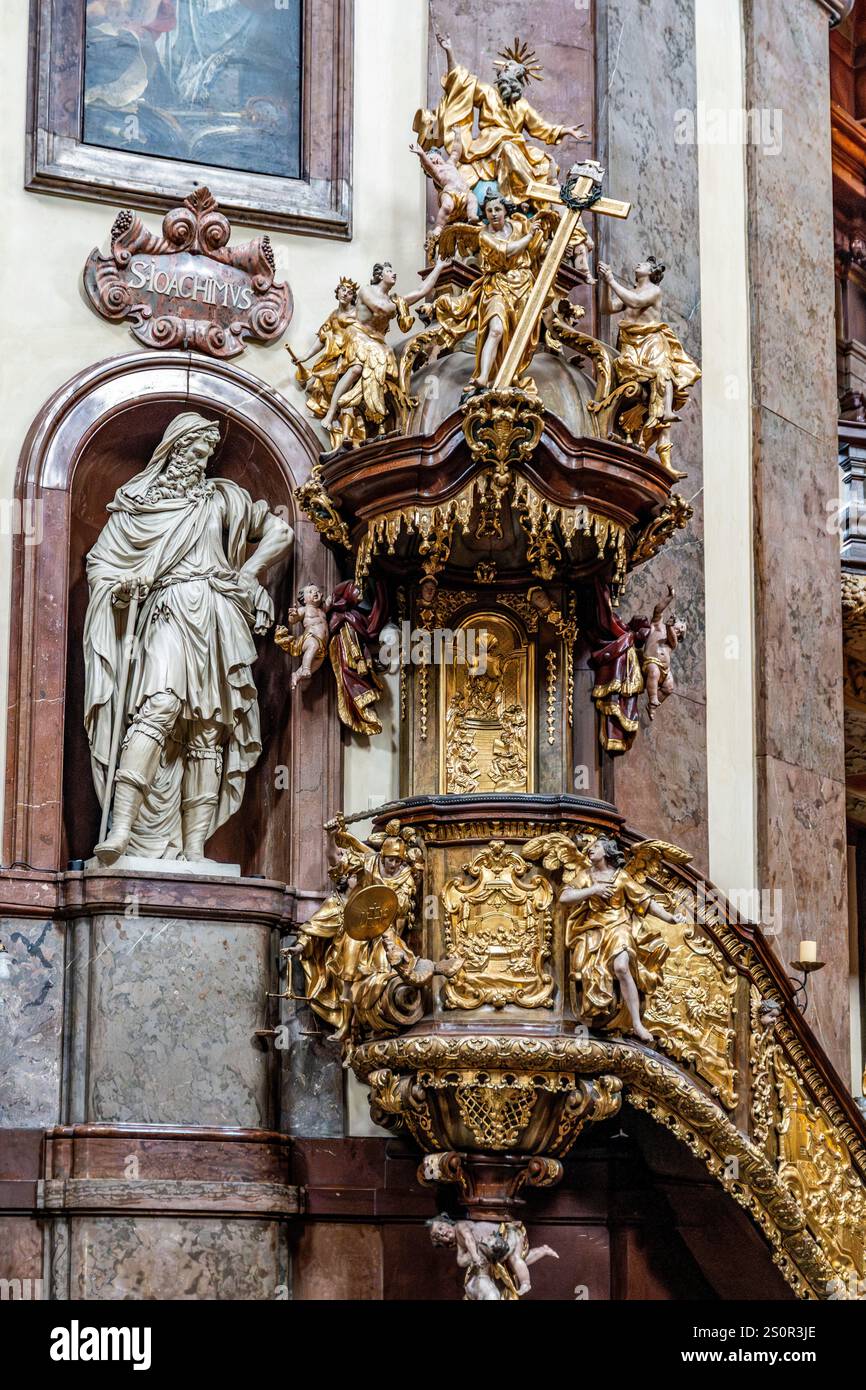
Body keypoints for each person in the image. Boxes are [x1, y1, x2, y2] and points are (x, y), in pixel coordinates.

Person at [84, 412, 292, 864]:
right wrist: (120, 587)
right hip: (168, 612)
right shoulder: (136, 507)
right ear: (173, 448)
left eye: (208, 453)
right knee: (157, 708)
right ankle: (120, 831)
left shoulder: (222, 498)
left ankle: (195, 847)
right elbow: (101, 566)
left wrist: (251, 572)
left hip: (218, 617)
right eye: (195, 449)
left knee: (208, 731)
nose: (202, 459)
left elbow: (281, 529)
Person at [415, 31, 588, 203]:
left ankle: (533, 195)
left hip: (516, 146)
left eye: (510, 69)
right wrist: (449, 52)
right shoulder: (488, 92)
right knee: (508, 148)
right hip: (488, 147)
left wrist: (566, 130)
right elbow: (462, 82)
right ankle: (531, 192)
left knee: (543, 160)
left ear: (518, 79)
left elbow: (542, 128)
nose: (505, 70)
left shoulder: (523, 106)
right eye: (505, 68)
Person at [560, 836, 686, 1044]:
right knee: (584, 970)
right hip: (594, 930)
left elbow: (645, 901)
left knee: (620, 966)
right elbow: (565, 898)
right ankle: (598, 1010)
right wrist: (594, 890)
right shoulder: (586, 876)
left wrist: (670, 918)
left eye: (596, 847)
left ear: (607, 852)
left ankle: (636, 1023)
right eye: (590, 847)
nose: (590, 850)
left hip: (619, 927)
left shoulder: (621, 877)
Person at [319, 258, 450, 445]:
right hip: (359, 335)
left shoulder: (394, 300)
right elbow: (379, 308)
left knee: (386, 374)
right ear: (380, 275)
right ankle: (331, 413)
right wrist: (398, 306)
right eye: (390, 271)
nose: (394, 274)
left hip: (379, 342)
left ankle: (378, 422)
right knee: (357, 369)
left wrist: (438, 267)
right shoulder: (366, 291)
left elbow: (423, 291)